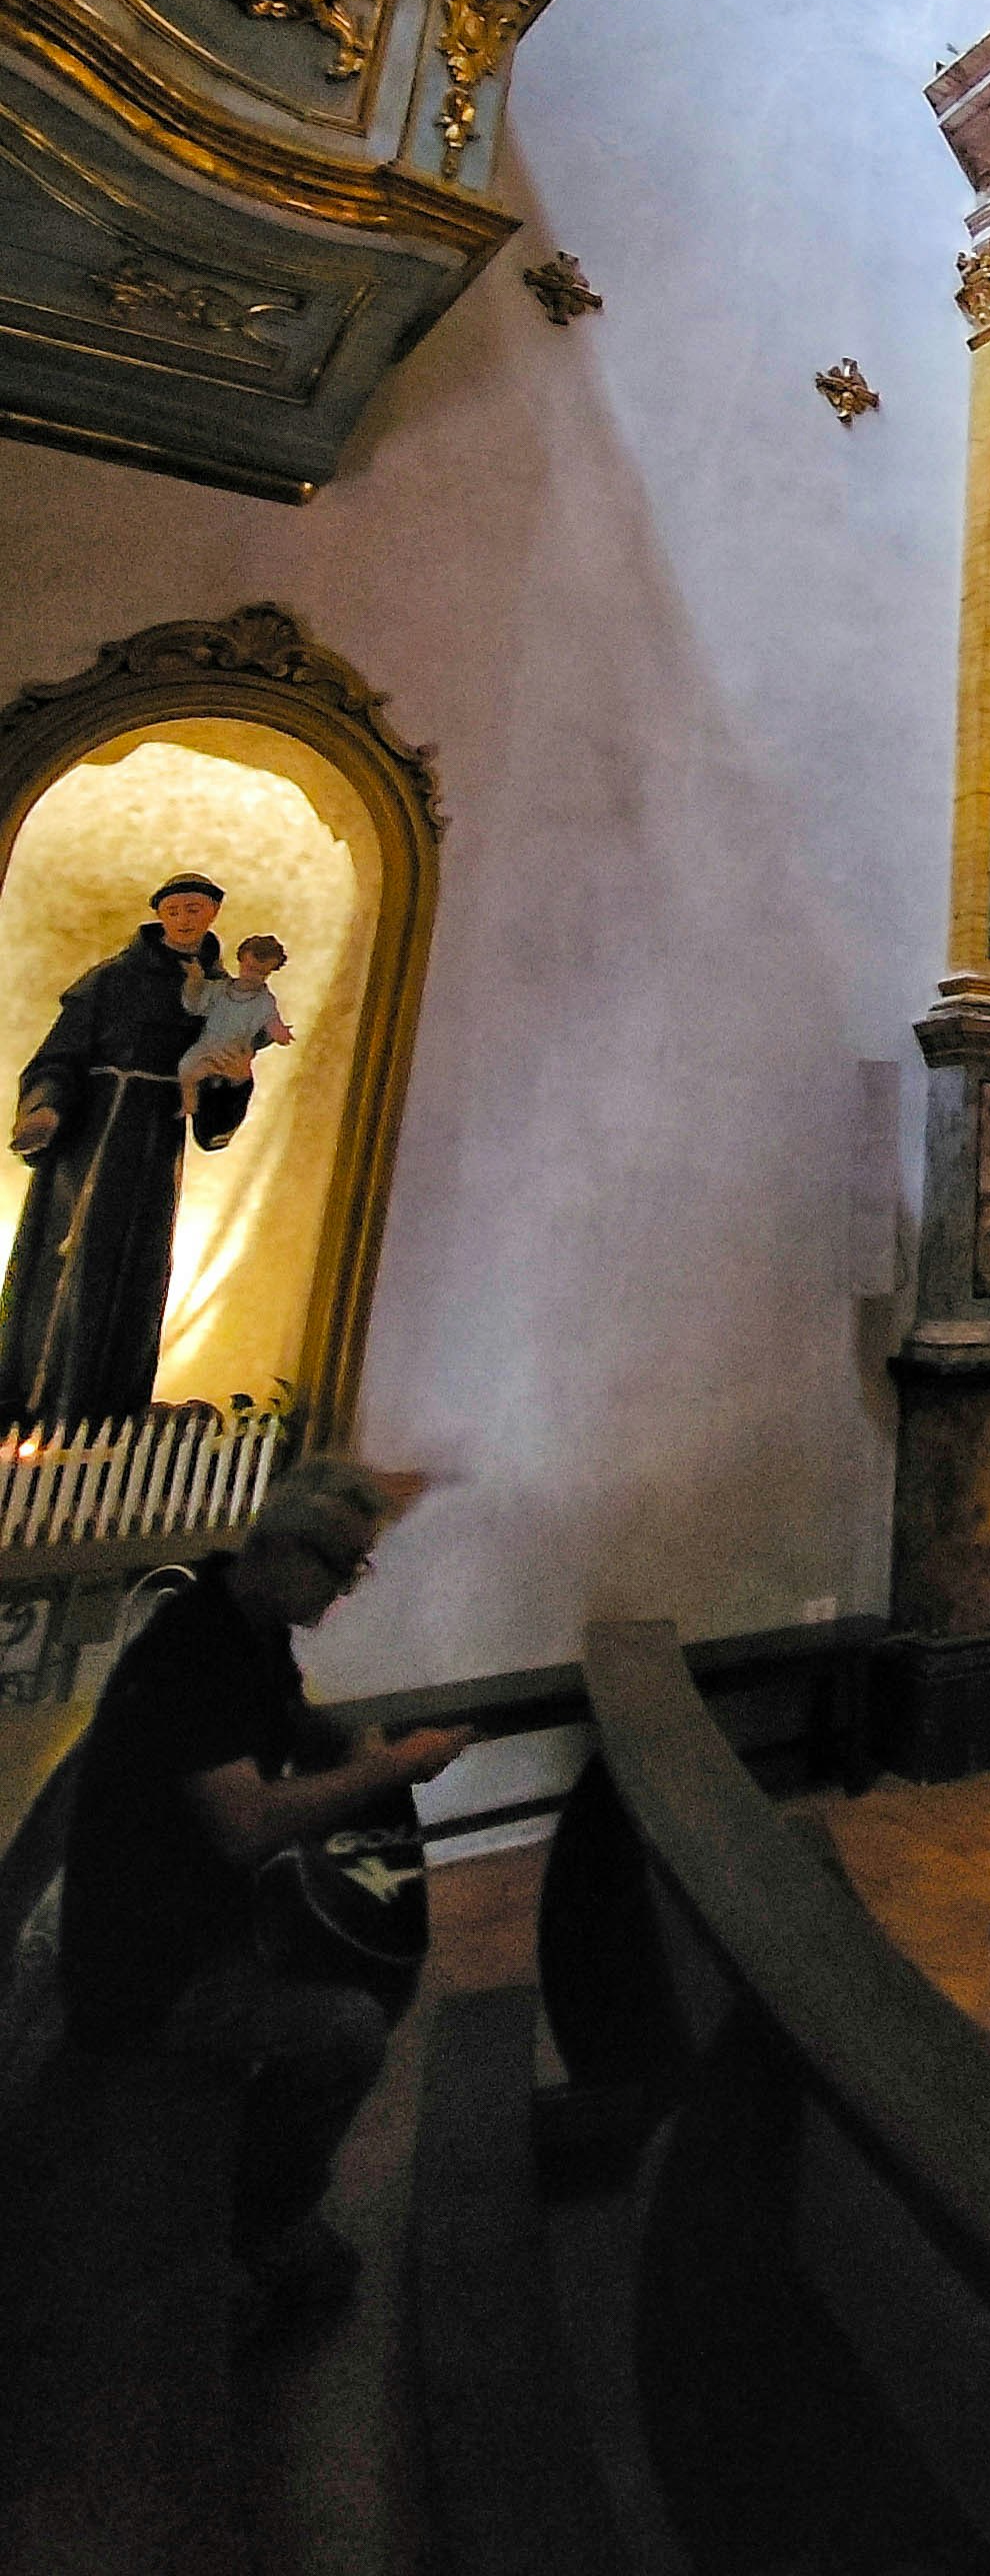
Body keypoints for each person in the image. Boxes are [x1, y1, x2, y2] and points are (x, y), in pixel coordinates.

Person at [59, 1457, 461, 2327]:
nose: (347, 1587)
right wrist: (391, 1765)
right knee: (347, 2027)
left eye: (357, 1566)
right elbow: (244, 1825)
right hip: (142, 1971)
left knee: (362, 1960)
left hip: (190, 1925)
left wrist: (351, 1741)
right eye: (340, 1565)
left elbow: (289, 1720)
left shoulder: (242, 1624)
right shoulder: (194, 1653)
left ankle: (254, 2178)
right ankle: (269, 2229)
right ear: (278, 1547)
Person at [2, 874, 251, 1424]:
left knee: (137, 1270)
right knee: (69, 1258)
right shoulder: (111, 980)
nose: (184, 919)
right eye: (174, 909)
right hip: (91, 1134)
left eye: (195, 909)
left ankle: (107, 1414)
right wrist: (46, 1108)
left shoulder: (225, 997)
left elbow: (215, 1094)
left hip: (155, 1143)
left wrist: (234, 1083)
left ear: (213, 915)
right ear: (159, 915)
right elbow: (58, 1056)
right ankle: (33, 1404)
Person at [182, 932, 293, 1126]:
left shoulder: (264, 1001)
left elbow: (270, 1020)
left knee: (226, 1075)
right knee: (187, 1068)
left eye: (261, 972)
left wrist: (278, 1032)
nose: (252, 976)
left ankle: (218, 1099)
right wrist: (195, 981)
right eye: (250, 968)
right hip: (209, 1043)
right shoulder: (220, 989)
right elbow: (195, 1005)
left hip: (235, 1049)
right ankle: (189, 1104)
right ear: (241, 961)